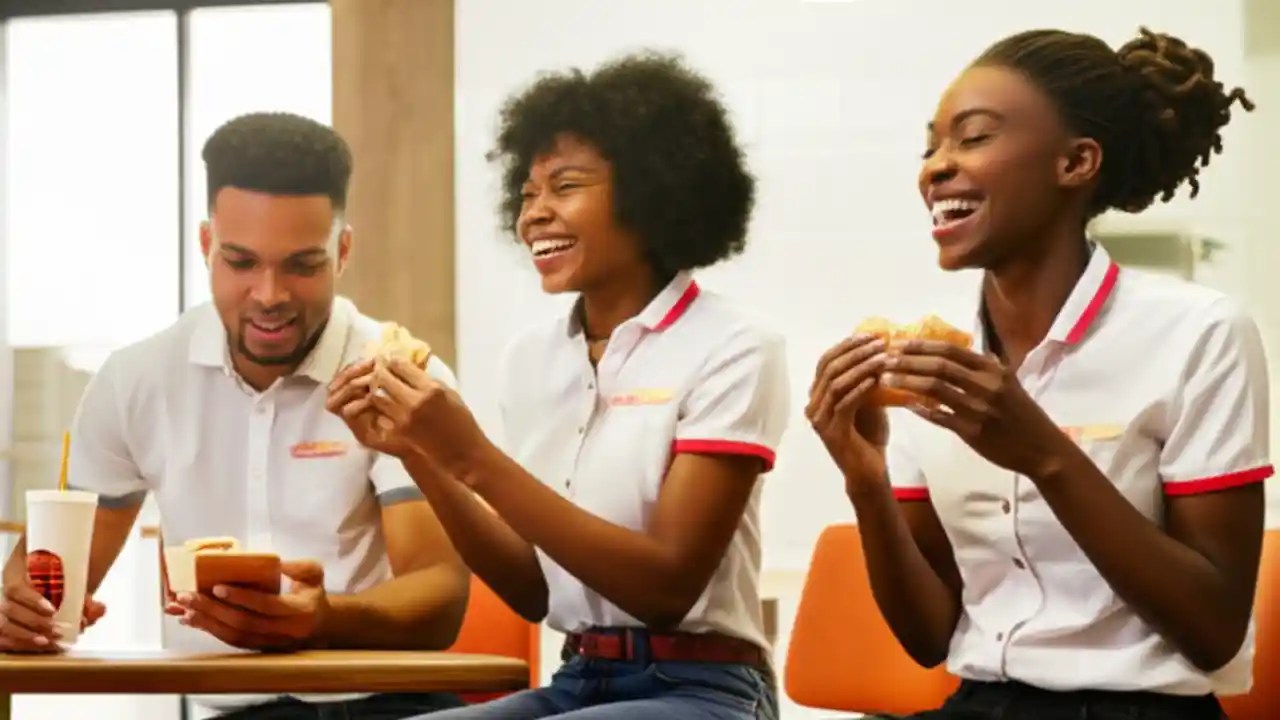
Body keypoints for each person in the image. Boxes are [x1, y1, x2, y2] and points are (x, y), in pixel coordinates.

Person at [809, 27, 1265, 720]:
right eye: (931, 145)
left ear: (1076, 162)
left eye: (973, 137)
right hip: (978, 702)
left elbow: (1213, 629)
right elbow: (929, 636)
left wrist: (1044, 453)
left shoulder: (1199, 333)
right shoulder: (932, 360)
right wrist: (865, 481)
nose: (936, 167)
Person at [328, 53, 788, 719]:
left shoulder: (735, 345)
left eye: (564, 186)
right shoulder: (531, 359)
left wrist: (470, 456)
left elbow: (665, 587)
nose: (534, 214)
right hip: (579, 679)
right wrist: (417, 453)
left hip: (704, 689)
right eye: (527, 193)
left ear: (652, 192)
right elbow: (532, 592)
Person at [0, 112, 469, 720]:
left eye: (302, 265)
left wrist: (325, 620)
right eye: (241, 261)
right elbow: (49, 577)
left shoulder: (401, 374)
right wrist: (19, 610)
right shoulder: (136, 380)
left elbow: (441, 595)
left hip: (382, 705)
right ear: (205, 246)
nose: (270, 294)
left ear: (343, 251)